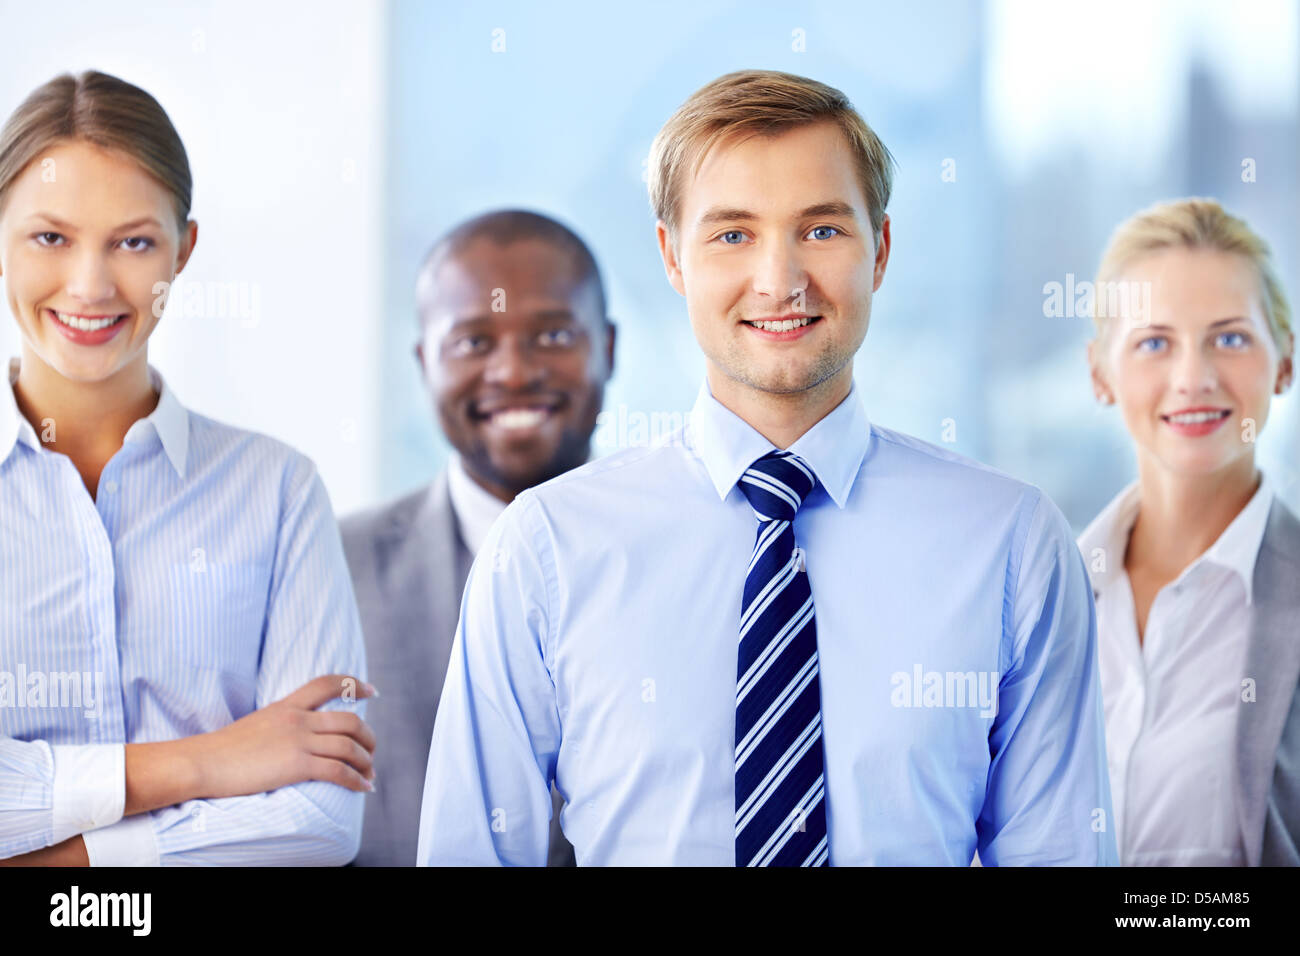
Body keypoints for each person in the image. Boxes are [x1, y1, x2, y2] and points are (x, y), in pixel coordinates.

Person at [417, 69, 1116, 866]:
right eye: (732, 234)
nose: (779, 281)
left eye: (821, 230)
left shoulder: (1011, 544)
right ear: (672, 257)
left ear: (879, 249)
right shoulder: (544, 550)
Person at [0, 71, 375, 866]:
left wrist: (65, 862)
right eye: (50, 238)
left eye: (134, 242)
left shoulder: (278, 492)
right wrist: (207, 761)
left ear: (185, 249)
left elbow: (320, 817)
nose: (91, 286)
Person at [342, 210, 613, 865]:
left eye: (552, 334)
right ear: (423, 361)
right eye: (472, 342)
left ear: (608, 348)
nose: (514, 373)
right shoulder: (331, 566)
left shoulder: (689, 551)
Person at [1080, 197, 1299, 865]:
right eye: (1154, 343)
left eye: (1230, 338)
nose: (1194, 379)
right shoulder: (1040, 592)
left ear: (1285, 360)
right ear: (1101, 374)